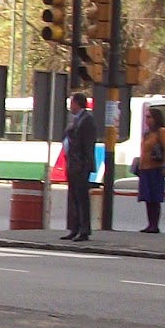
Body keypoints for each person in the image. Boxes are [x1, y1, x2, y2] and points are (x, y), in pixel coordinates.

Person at [60, 91, 97, 242]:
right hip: (72, 163)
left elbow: (88, 144)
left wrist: (85, 165)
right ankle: (74, 228)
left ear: (77, 103)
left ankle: (84, 229)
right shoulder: (75, 119)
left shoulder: (86, 120)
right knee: (73, 197)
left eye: (71, 102)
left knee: (82, 198)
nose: (70, 105)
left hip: (80, 164)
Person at [135, 105, 165, 233]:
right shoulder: (147, 133)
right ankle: (150, 223)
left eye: (149, 117)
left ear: (156, 118)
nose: (147, 120)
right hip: (145, 168)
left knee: (155, 197)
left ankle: (155, 224)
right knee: (147, 196)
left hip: (156, 168)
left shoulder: (161, 132)